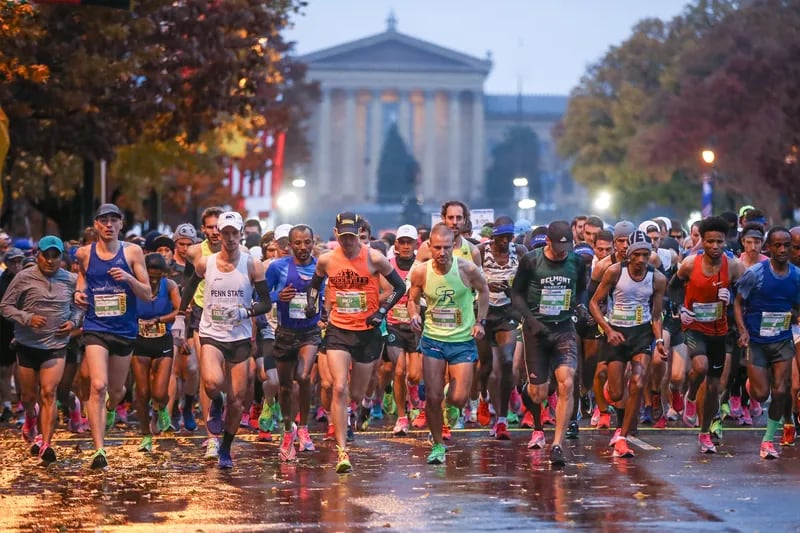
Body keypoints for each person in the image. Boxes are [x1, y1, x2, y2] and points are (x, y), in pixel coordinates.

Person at [303, 212, 408, 473]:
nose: (348, 242)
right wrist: (312, 307)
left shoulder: (374, 258)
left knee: (356, 393)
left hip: (367, 332)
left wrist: (381, 313)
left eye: (353, 236)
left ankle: (358, 408)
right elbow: (314, 287)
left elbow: (399, 288)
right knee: (339, 387)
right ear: (336, 234)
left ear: (359, 233)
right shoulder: (327, 260)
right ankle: (342, 451)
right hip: (339, 330)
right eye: (344, 237)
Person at [175, 211, 272, 469]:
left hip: (239, 337)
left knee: (238, 399)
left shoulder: (252, 264)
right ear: (218, 234)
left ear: (241, 235)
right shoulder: (206, 263)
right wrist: (179, 318)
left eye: (234, 233)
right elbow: (188, 288)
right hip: (211, 333)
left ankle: (226, 447)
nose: (229, 238)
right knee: (211, 382)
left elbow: (266, 303)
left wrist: (246, 311)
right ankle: (214, 403)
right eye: (225, 233)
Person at [74, 203, 152, 469]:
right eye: (103, 220)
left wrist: (129, 279)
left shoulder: (132, 252)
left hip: (125, 330)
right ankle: (99, 450)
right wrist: (78, 292)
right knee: (98, 385)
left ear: (121, 224)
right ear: (96, 225)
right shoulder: (84, 253)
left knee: (116, 391)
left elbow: (147, 293)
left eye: (113, 221)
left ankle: (110, 409)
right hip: (96, 327)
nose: (108, 225)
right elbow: (83, 278)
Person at [406, 223, 489, 464]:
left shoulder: (467, 268)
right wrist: (414, 314)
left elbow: (484, 291)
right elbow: (412, 298)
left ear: (453, 246)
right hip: (433, 339)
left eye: (446, 247)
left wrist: (480, 321)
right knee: (432, 397)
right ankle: (438, 445)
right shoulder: (421, 272)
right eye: (437, 248)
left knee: (459, 398)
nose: (442, 253)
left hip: (462, 340)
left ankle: (450, 401)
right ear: (429, 247)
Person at [510, 221, 588, 466]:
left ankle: (557, 445)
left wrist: (578, 307)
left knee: (566, 381)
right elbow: (516, 294)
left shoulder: (576, 262)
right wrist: (531, 321)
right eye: (558, 247)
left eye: (567, 246)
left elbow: (582, 289)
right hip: (536, 332)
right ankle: (527, 391)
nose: (562, 251)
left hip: (563, 330)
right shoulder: (531, 261)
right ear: (548, 242)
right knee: (539, 392)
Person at [0, 236, 81, 465]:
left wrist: (73, 323)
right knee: (28, 397)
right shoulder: (23, 277)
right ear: (39, 256)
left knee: (49, 393)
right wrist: (27, 318)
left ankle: (46, 443)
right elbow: (5, 307)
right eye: (47, 255)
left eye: (56, 256)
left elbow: (79, 308)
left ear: (60, 258)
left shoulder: (70, 280)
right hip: (27, 346)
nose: (51, 260)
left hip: (55, 347)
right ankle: (29, 417)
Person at [669, 216, 744, 453]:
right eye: (710, 241)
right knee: (699, 366)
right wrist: (681, 310)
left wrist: (731, 299)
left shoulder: (733, 266)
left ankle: (704, 434)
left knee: (714, 387)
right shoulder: (690, 263)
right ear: (702, 241)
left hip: (719, 331)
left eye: (719, 242)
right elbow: (673, 288)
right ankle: (690, 397)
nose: (714, 246)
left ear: (725, 242)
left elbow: (744, 297)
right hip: (694, 327)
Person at [589, 230, 667, 459]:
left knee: (638, 381)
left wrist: (660, 340)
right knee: (615, 392)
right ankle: (615, 406)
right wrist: (608, 329)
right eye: (638, 255)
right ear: (629, 255)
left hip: (641, 333)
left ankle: (622, 436)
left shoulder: (658, 279)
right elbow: (594, 303)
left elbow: (656, 314)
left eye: (646, 255)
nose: (642, 260)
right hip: (616, 334)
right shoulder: (614, 272)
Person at [734, 227, 800, 459]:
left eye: (787, 246)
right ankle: (754, 385)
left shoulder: (796, 275)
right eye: (778, 245)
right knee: (762, 395)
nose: (783, 250)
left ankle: (768, 441)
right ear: (768, 248)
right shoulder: (755, 273)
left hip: (782, 340)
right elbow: (738, 302)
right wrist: (742, 330)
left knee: (782, 390)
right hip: (757, 341)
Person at [266, 224, 323, 460]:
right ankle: (288, 429)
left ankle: (304, 428)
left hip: (310, 332)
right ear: (289, 245)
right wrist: (277, 297)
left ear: (313, 242)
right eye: (297, 243)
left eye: (307, 242)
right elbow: (260, 295)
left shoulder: (321, 267)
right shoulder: (278, 267)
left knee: (303, 376)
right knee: (286, 386)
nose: (302, 247)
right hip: (285, 333)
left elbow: (327, 294)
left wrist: (322, 311)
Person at [477, 216, 527, 440]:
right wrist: (486, 284)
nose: (505, 241)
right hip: (484, 311)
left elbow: (528, 280)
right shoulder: (480, 251)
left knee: (506, 362)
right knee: (486, 365)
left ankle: (502, 419)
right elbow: (467, 278)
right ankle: (483, 397)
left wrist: (514, 291)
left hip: (508, 312)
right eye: (501, 237)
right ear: (493, 236)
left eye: (509, 237)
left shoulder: (521, 252)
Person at [132, 253, 181, 453]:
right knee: (143, 393)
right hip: (140, 341)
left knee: (160, 392)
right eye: (149, 276)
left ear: (163, 274)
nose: (152, 280)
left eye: (157, 276)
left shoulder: (169, 286)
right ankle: (145, 435)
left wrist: (160, 320)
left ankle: (160, 409)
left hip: (162, 340)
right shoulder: (135, 285)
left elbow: (179, 309)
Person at [382, 224, 422, 437]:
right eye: (402, 242)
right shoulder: (387, 266)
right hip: (393, 324)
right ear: (396, 244)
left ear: (416, 244)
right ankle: (401, 416)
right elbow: (382, 292)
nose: (406, 246)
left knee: (414, 375)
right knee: (399, 371)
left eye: (410, 242)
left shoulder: (421, 266)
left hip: (415, 326)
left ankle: (413, 391)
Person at [0, 247, 24, 422]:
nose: (16, 264)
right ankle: (7, 405)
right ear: (6, 263)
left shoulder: (29, 278)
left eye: (19, 260)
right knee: (5, 369)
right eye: (13, 261)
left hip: (25, 328)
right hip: (5, 329)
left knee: (23, 369)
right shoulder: (2, 281)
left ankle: (25, 404)